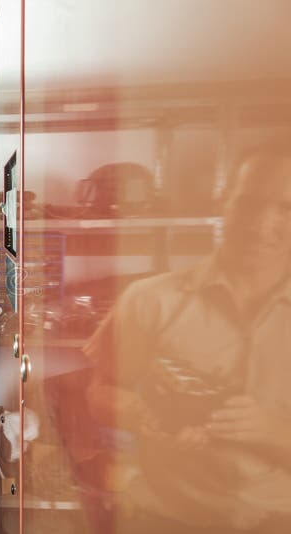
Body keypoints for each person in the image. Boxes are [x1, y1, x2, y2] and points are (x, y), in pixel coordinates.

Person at [81, 138, 291, 533]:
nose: (261, 225)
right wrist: (145, 415)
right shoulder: (149, 300)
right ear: (225, 204)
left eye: (286, 209)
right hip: (164, 518)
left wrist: (274, 432)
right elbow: (99, 393)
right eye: (248, 203)